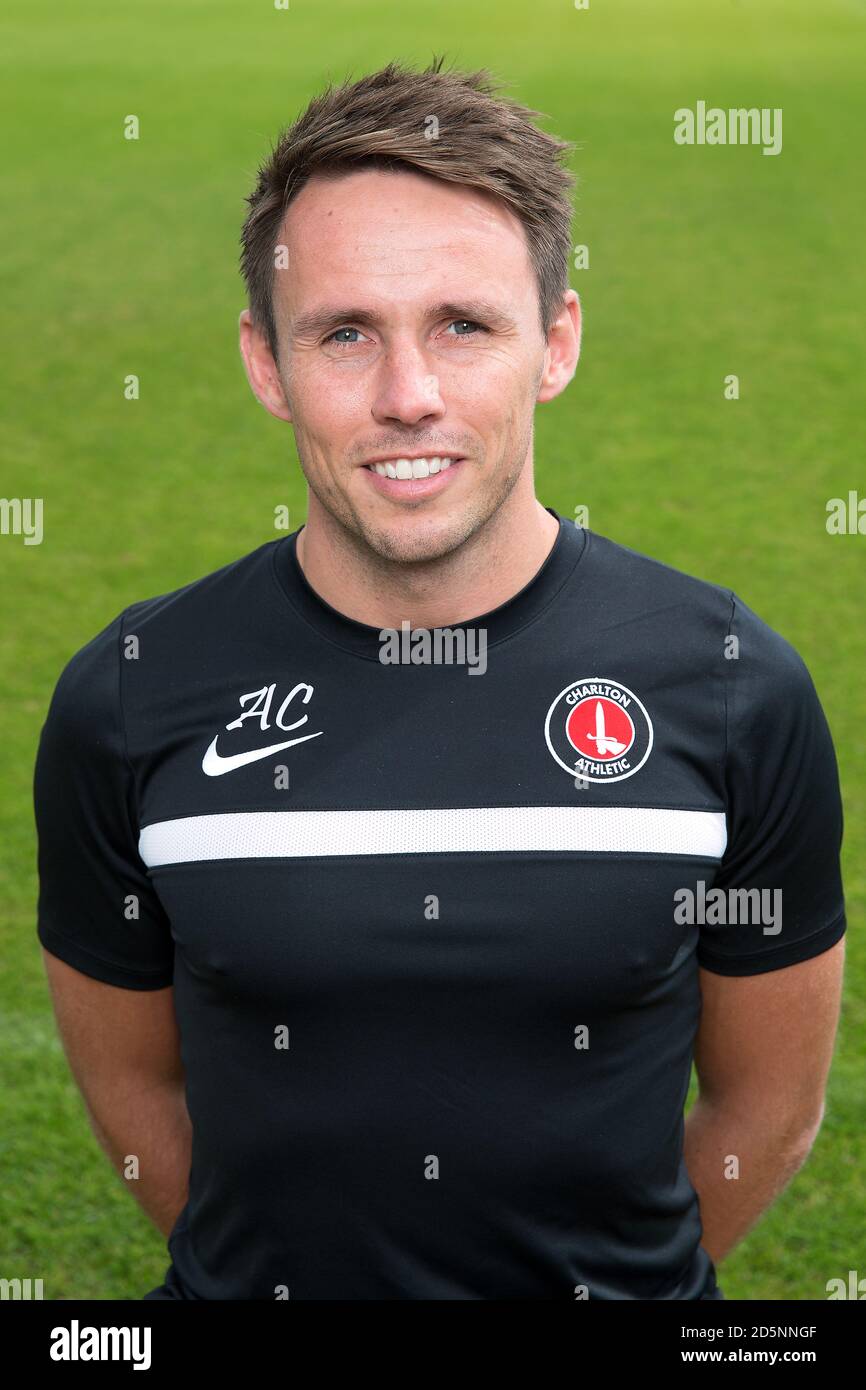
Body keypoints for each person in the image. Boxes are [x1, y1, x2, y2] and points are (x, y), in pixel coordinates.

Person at [34, 58, 846, 1301]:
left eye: (462, 326)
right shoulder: (132, 696)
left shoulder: (734, 687)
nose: (407, 397)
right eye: (344, 333)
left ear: (555, 341)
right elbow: (137, 1096)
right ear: (265, 361)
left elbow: (766, 1105)